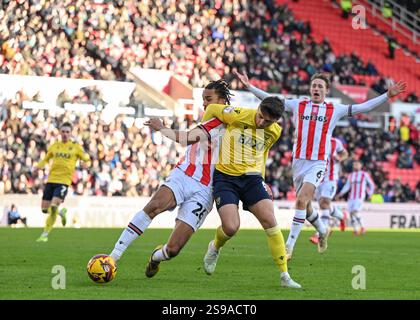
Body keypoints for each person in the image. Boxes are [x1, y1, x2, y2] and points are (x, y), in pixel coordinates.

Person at [235, 70, 406, 260]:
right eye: (314, 85)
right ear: (310, 88)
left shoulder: (335, 109)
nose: (316, 88)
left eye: (320, 86)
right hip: (298, 162)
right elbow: (271, 100)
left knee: (300, 201)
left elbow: (362, 107)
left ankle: (289, 247)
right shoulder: (298, 105)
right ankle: (323, 230)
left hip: (318, 163)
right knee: (306, 208)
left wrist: (386, 95)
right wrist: (249, 87)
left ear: (326, 90)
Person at [108, 80, 232, 278]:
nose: (205, 104)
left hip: (206, 191)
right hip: (184, 175)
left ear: (223, 100)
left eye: (209, 99)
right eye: (203, 100)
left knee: (173, 249)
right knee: (154, 206)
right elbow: (189, 137)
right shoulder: (211, 120)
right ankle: (113, 257)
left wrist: (161, 128)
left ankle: (156, 258)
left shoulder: (238, 122)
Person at [195, 97, 302, 288]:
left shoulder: (275, 132)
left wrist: (262, 178)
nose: (262, 122)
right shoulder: (237, 114)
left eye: (268, 121)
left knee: (270, 220)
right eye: (261, 116)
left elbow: (262, 154)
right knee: (231, 227)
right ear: (258, 109)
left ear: (276, 121)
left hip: (252, 179)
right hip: (226, 178)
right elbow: (211, 108)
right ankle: (215, 247)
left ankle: (284, 275)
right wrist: (205, 132)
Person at [35, 122, 91, 242]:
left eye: (67, 132)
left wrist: (86, 164)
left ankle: (45, 234)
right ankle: (61, 212)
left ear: (70, 133)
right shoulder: (55, 146)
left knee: (54, 206)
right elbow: (46, 159)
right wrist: (38, 166)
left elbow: (86, 158)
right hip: (51, 179)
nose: (65, 134)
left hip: (64, 181)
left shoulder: (76, 147)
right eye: (63, 131)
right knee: (45, 209)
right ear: (60, 132)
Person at [310, 137, 348, 245]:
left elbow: (344, 153)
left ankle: (320, 232)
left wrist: (339, 158)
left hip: (330, 179)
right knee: (324, 205)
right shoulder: (314, 140)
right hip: (317, 179)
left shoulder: (335, 142)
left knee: (324, 203)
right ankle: (342, 215)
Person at [335, 161, 375, 235]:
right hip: (351, 197)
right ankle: (356, 230)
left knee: (355, 211)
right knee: (351, 213)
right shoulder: (351, 175)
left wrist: (370, 194)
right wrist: (340, 193)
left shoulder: (364, 174)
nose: (355, 166)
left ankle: (362, 227)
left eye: (357, 164)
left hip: (359, 197)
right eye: (354, 165)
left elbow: (371, 185)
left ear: (360, 165)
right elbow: (347, 186)